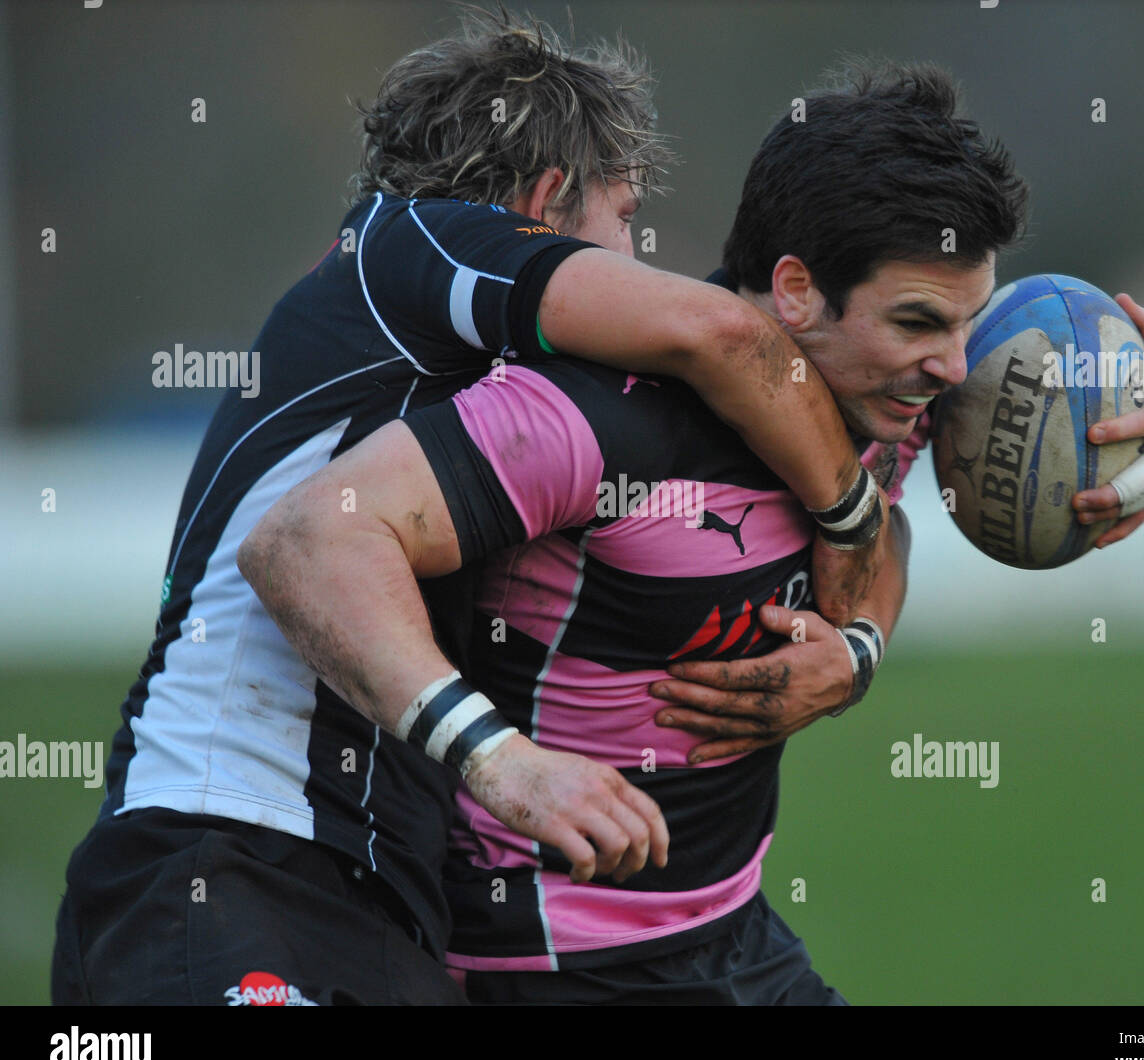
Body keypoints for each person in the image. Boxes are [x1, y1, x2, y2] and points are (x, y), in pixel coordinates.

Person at [241, 59, 1144, 1004]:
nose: (955, 368)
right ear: (796, 291)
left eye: (966, 326)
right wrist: (496, 759)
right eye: (920, 322)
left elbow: (888, 540)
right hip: (547, 958)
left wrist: (859, 652)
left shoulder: (888, 387)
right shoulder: (593, 418)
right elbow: (311, 542)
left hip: (730, 936)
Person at [49, 12, 893, 1008]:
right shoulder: (410, 243)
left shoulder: (443, 357)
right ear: (542, 204)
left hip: (378, 893)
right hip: (223, 849)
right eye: (624, 218)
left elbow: (894, 375)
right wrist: (852, 521)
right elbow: (716, 333)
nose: (634, 251)